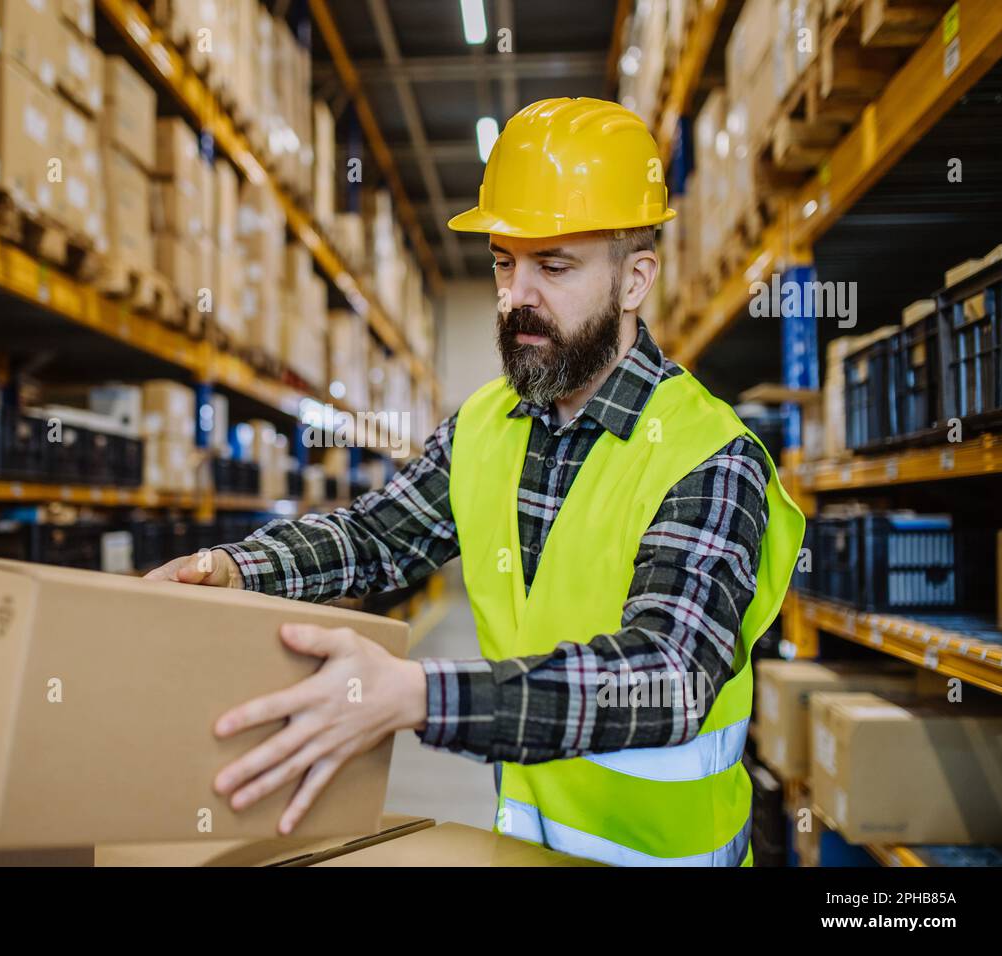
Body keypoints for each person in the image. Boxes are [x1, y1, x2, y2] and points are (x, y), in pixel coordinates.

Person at [146, 97, 805, 866]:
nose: (516, 294)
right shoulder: (487, 425)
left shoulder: (710, 455)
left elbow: (668, 676)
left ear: (635, 281)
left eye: (553, 267)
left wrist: (418, 695)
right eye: (503, 262)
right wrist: (231, 571)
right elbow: (374, 536)